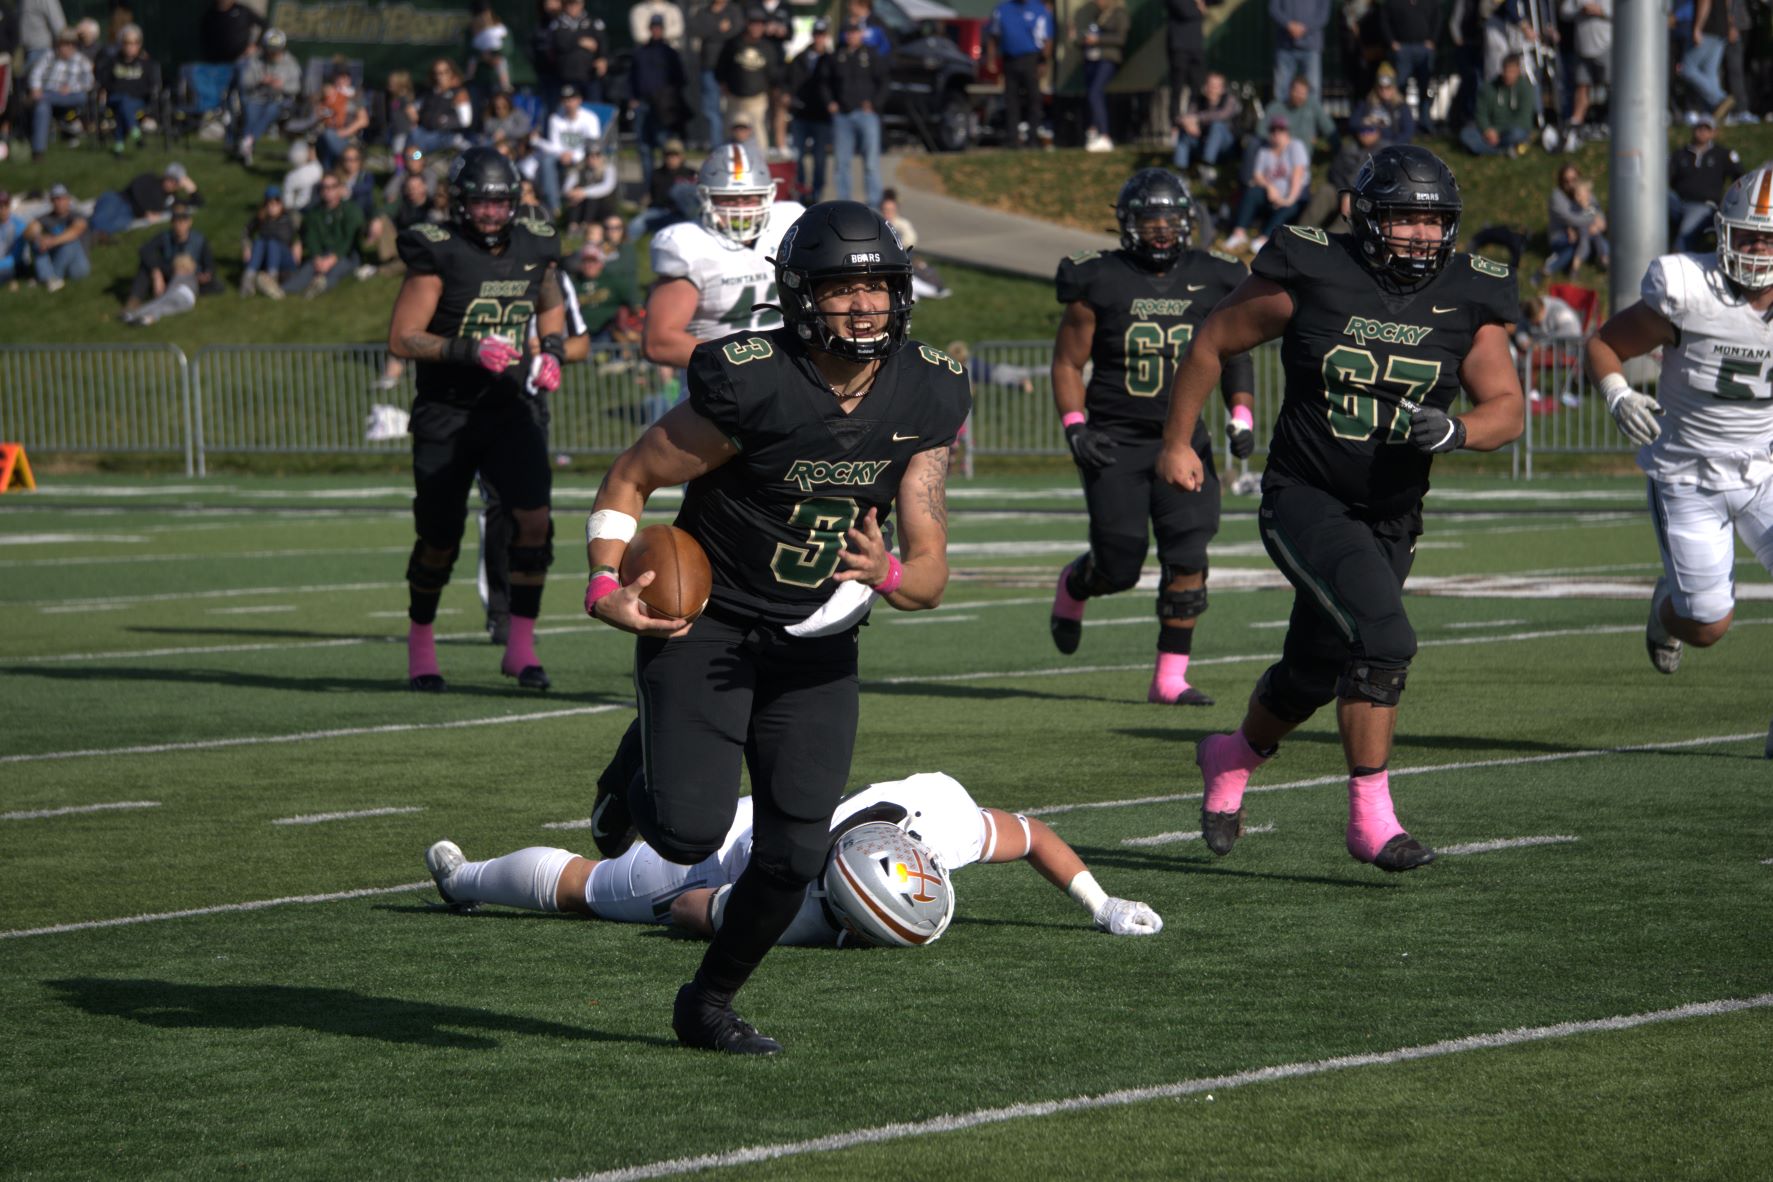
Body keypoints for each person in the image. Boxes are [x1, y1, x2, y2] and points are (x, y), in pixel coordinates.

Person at [580, 199, 971, 1054]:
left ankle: (708, 1002)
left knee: (793, 858)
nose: (861, 306)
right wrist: (603, 581)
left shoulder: (927, 388)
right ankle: (628, 771)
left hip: (818, 637)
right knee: (685, 834)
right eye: (839, 289)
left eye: (876, 288)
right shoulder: (751, 377)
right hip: (706, 624)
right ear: (800, 296)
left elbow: (931, 568)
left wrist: (892, 573)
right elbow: (629, 478)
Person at [1158, 145, 1524, 871]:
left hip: (1391, 512)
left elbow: (1506, 406)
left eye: (1433, 220)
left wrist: (1457, 430)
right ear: (1365, 215)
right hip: (1305, 494)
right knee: (1384, 640)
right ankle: (1371, 821)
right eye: (1405, 217)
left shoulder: (1469, 290)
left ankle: (1229, 757)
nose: (1420, 234)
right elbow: (1212, 340)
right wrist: (1176, 441)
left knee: (1312, 670)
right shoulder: (1316, 267)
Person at [425, 765, 1161, 941]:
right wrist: (728, 917)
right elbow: (688, 909)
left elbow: (1032, 835)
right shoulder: (809, 902)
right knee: (586, 889)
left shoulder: (944, 820)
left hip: (792, 823)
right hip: (733, 851)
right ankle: (466, 883)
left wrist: (1101, 905)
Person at [1050, 170, 1254, 706]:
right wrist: (1076, 427)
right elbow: (1069, 361)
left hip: (1183, 440)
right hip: (1114, 439)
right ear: (1127, 225)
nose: (1161, 232)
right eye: (1149, 222)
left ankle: (1169, 678)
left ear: (1188, 223)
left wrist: (1241, 413)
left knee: (1188, 552)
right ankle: (1077, 583)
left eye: (1169, 222)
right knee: (1118, 566)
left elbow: (1232, 351)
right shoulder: (1099, 278)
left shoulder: (1217, 277)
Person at [1583, 168, 1773, 701]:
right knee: (1707, 625)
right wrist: (1618, 393)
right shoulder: (1689, 289)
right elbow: (1603, 344)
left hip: (1765, 469)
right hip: (1688, 476)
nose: (1758, 250)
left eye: (1770, 238)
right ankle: (1668, 612)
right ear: (1723, 231)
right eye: (1749, 234)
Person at [386, 148, 568, 693]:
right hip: (447, 412)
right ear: (460, 203)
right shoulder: (438, 252)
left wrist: (553, 348)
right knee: (440, 535)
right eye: (481, 202)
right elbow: (402, 337)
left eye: (500, 202)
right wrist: (467, 350)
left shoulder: (535, 244)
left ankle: (521, 647)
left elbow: (549, 299)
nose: (491, 213)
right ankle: (421, 642)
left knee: (534, 521)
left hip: (510, 407)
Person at [641, 143, 806, 369]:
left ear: (768, 195)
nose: (740, 209)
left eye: (750, 198)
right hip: (721, 387)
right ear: (706, 198)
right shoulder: (687, 245)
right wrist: (740, 367)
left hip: (790, 374)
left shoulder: (789, 224)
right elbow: (659, 343)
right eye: (728, 199)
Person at [1220, 116, 1309, 255]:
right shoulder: (1264, 150)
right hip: (1270, 195)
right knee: (1252, 192)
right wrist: (1270, 187)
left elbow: (1298, 176)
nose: (1276, 133)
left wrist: (1288, 199)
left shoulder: (1295, 146)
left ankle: (1265, 238)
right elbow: (1257, 175)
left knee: (1288, 208)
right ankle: (1239, 233)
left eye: (1280, 130)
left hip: (1293, 196)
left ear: (1287, 132)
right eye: (1273, 130)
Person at [827, 20, 889, 208]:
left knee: (870, 162)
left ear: (861, 34)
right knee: (842, 163)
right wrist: (830, 102)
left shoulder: (870, 55)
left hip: (866, 114)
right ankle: (845, 206)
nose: (852, 36)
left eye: (855, 32)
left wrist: (875, 103)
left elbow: (884, 81)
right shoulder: (838, 55)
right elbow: (824, 81)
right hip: (843, 116)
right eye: (848, 33)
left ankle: (874, 204)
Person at [629, 13, 689, 190]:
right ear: (649, 29)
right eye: (654, 27)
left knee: (665, 146)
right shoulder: (640, 52)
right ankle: (650, 189)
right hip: (643, 104)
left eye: (659, 27)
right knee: (644, 148)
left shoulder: (670, 53)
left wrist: (670, 101)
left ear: (663, 30)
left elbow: (681, 80)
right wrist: (633, 98)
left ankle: (668, 187)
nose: (656, 30)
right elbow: (631, 79)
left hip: (663, 107)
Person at [1668, 114, 1743, 252]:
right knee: (1656, 197)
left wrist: (1731, 202)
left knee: (1686, 233)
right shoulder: (1679, 154)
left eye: (1707, 128)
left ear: (1714, 132)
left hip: (1704, 205)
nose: (1702, 131)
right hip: (1678, 201)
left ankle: (1677, 258)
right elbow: (1666, 178)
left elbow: (1740, 178)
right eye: (1699, 127)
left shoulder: (1722, 154)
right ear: (1693, 129)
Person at [1299, 110, 1382, 230]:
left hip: (1365, 198)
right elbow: (1333, 174)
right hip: (1341, 192)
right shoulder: (1348, 148)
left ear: (1378, 132)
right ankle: (1300, 234)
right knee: (1325, 191)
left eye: (1370, 130)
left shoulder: (1383, 152)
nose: (1366, 134)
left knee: (1352, 211)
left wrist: (1352, 194)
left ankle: (1329, 244)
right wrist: (1345, 192)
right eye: (1362, 130)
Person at [127, 203, 215, 311]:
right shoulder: (165, 237)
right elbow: (145, 250)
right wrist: (156, 272)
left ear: (189, 222)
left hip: (191, 277)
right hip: (170, 273)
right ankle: (134, 300)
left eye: (183, 221)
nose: (180, 226)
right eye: (177, 222)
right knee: (145, 267)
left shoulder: (199, 239)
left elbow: (209, 263)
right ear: (172, 223)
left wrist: (206, 275)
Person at [988, 0, 1051, 148]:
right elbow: (994, 36)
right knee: (1011, 100)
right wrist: (991, 59)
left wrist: (1043, 62)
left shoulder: (1039, 9)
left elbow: (1047, 38)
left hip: (1031, 59)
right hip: (1010, 59)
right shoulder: (1002, 10)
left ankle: (1033, 139)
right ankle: (1012, 138)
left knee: (1034, 99)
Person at [535, 83, 602, 219]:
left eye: (571, 99)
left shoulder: (590, 118)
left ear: (579, 100)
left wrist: (575, 155)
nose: (568, 103)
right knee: (546, 161)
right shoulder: (555, 119)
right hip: (561, 155)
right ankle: (555, 207)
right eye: (565, 100)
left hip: (585, 155)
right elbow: (555, 145)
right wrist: (562, 154)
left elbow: (593, 144)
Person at [716, 7, 779, 150]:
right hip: (735, 98)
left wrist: (773, 93)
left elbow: (774, 75)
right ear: (747, 24)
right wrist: (724, 85)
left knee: (759, 135)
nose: (757, 27)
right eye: (754, 23)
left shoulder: (767, 47)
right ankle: (728, 166)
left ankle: (760, 168)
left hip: (757, 99)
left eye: (760, 24)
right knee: (730, 134)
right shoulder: (734, 44)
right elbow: (720, 68)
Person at [785, 19, 835, 201]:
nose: (819, 38)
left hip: (821, 116)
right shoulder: (800, 58)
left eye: (822, 35)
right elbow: (789, 80)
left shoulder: (831, 59)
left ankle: (816, 192)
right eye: (817, 35)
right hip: (801, 114)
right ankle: (801, 190)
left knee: (819, 158)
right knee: (798, 156)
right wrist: (790, 97)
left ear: (826, 37)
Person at [235, 27, 299, 167]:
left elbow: (296, 87)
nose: (273, 53)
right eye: (270, 49)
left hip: (278, 100)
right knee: (251, 111)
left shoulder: (291, 63)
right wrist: (261, 81)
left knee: (271, 110)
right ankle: (248, 145)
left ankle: (247, 142)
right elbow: (244, 82)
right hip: (256, 98)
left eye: (276, 49)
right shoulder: (256, 60)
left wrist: (282, 86)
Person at [28, 26, 93, 159]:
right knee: (42, 108)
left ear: (74, 46)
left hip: (71, 96)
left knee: (79, 96)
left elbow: (89, 83)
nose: (66, 48)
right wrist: (36, 87)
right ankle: (38, 151)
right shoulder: (49, 56)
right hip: (48, 93)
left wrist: (72, 87)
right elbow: (36, 73)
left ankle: (61, 117)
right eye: (63, 44)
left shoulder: (81, 61)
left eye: (70, 44)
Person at [1075, 0, 1130, 153]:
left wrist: (1099, 39)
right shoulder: (1097, 15)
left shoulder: (1119, 13)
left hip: (1108, 59)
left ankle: (1105, 135)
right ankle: (1094, 131)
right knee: (1091, 93)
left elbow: (1121, 38)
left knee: (1095, 92)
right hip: (1092, 58)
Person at [89, 161, 198, 237]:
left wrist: (192, 190)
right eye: (171, 179)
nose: (172, 183)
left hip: (131, 215)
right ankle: (89, 231)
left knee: (119, 225)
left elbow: (196, 204)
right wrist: (146, 211)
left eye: (176, 181)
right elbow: (135, 190)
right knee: (100, 219)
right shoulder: (150, 179)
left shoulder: (171, 199)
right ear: (165, 176)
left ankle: (92, 233)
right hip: (119, 200)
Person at [97, 22, 157, 156]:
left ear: (139, 44)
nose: (130, 46)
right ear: (121, 43)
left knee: (123, 107)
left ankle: (119, 146)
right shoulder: (112, 61)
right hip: (115, 98)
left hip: (137, 101)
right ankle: (135, 132)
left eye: (134, 42)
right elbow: (105, 82)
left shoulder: (146, 64)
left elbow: (150, 86)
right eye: (127, 42)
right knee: (123, 101)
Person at [1459, 52, 1535, 157]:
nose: (1508, 75)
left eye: (1512, 71)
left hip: (1509, 132)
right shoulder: (1489, 87)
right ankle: (1503, 151)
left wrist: (1497, 131)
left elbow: (1523, 119)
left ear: (1518, 71)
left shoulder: (1526, 88)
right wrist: (1487, 130)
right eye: (1506, 71)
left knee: (1518, 134)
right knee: (1466, 134)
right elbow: (1480, 113)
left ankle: (1484, 150)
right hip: (1489, 132)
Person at [688, 0, 741, 147]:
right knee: (711, 109)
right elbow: (696, 30)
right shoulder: (702, 11)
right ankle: (717, 147)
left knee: (733, 109)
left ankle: (735, 146)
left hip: (732, 68)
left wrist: (712, 33)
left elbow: (736, 32)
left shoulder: (734, 11)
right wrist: (719, 29)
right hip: (709, 67)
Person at [1380, 0, 1438, 132]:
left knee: (1425, 88)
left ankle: (1425, 123)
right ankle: (1400, 122)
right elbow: (1384, 20)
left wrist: (1433, 40)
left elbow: (1437, 18)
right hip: (1402, 49)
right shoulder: (1393, 3)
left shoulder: (1431, 3)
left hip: (1424, 48)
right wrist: (1392, 42)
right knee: (1399, 88)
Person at [1545, 163, 1609, 279]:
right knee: (1577, 245)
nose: (1570, 184)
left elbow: (1597, 210)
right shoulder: (1557, 197)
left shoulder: (1584, 190)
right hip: (1562, 236)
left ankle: (1605, 261)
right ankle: (1553, 269)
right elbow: (1572, 219)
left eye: (1573, 179)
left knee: (1599, 238)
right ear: (1561, 181)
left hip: (1586, 231)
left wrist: (1600, 224)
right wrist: (1593, 220)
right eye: (1566, 180)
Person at [1171, 70, 1240, 178]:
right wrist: (1187, 124)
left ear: (1222, 89)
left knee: (1217, 125)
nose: (1212, 89)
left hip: (1225, 147)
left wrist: (1197, 119)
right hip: (1202, 143)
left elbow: (1221, 115)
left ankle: (1207, 166)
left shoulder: (1230, 100)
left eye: (1216, 86)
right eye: (1210, 85)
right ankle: (1181, 172)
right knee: (1184, 131)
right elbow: (1185, 117)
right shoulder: (1198, 101)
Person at [631, 137, 700, 239]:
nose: (671, 158)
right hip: (658, 210)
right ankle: (623, 247)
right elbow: (650, 196)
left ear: (681, 156)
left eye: (675, 155)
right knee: (637, 223)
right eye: (668, 155)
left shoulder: (691, 173)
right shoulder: (657, 173)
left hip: (681, 213)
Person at [27, 183, 88, 291]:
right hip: (57, 257)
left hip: (77, 266)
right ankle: (49, 278)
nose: (59, 202)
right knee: (36, 242)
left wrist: (52, 241)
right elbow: (29, 231)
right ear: (51, 201)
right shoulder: (46, 218)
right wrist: (39, 238)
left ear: (68, 199)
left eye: (62, 198)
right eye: (56, 199)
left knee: (70, 242)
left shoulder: (77, 215)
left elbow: (76, 230)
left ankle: (50, 278)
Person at [240, 185, 299, 298]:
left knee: (272, 243)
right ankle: (248, 277)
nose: (272, 206)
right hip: (266, 257)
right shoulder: (261, 219)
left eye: (276, 202)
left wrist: (298, 243)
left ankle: (271, 280)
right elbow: (246, 233)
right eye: (269, 203)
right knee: (259, 242)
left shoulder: (290, 217)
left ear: (281, 203)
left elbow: (304, 232)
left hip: (285, 257)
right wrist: (246, 247)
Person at [1682, 0, 1734, 123]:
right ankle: (1720, 114)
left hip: (1707, 28)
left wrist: (1697, 27)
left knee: (1686, 68)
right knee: (1709, 73)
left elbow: (1704, 2)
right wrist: (1730, 23)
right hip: (1721, 29)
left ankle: (1720, 99)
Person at [407, 58, 473, 155]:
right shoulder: (429, 92)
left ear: (452, 73)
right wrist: (412, 114)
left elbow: (466, 121)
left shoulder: (459, 93)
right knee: (411, 145)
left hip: (446, 136)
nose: (440, 76)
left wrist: (444, 121)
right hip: (424, 133)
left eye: (444, 72)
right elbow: (415, 107)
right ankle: (413, 165)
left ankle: (422, 161)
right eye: (437, 73)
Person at [1269, 0, 1330, 100]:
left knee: (1312, 88)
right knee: (1282, 88)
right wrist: (1289, 24)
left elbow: (1323, 15)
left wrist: (1305, 27)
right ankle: (1281, 116)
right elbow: (1274, 9)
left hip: (1311, 45)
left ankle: (1311, 115)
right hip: (1285, 45)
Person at [315, 62, 369, 169]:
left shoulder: (354, 96)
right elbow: (319, 113)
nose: (341, 80)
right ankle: (329, 172)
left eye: (344, 77)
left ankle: (340, 165)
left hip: (348, 137)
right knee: (323, 138)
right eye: (338, 78)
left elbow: (364, 120)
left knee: (328, 136)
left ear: (349, 79)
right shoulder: (329, 94)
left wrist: (345, 132)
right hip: (329, 131)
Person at [281, 139, 323, 212]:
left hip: (304, 208)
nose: (312, 151)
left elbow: (287, 201)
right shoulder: (317, 169)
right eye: (309, 149)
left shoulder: (291, 176)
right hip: (304, 208)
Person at [0, 192, 30, 286]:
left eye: (6, 206)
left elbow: (16, 256)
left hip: (15, 265)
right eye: (0, 206)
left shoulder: (18, 224)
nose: (3, 209)